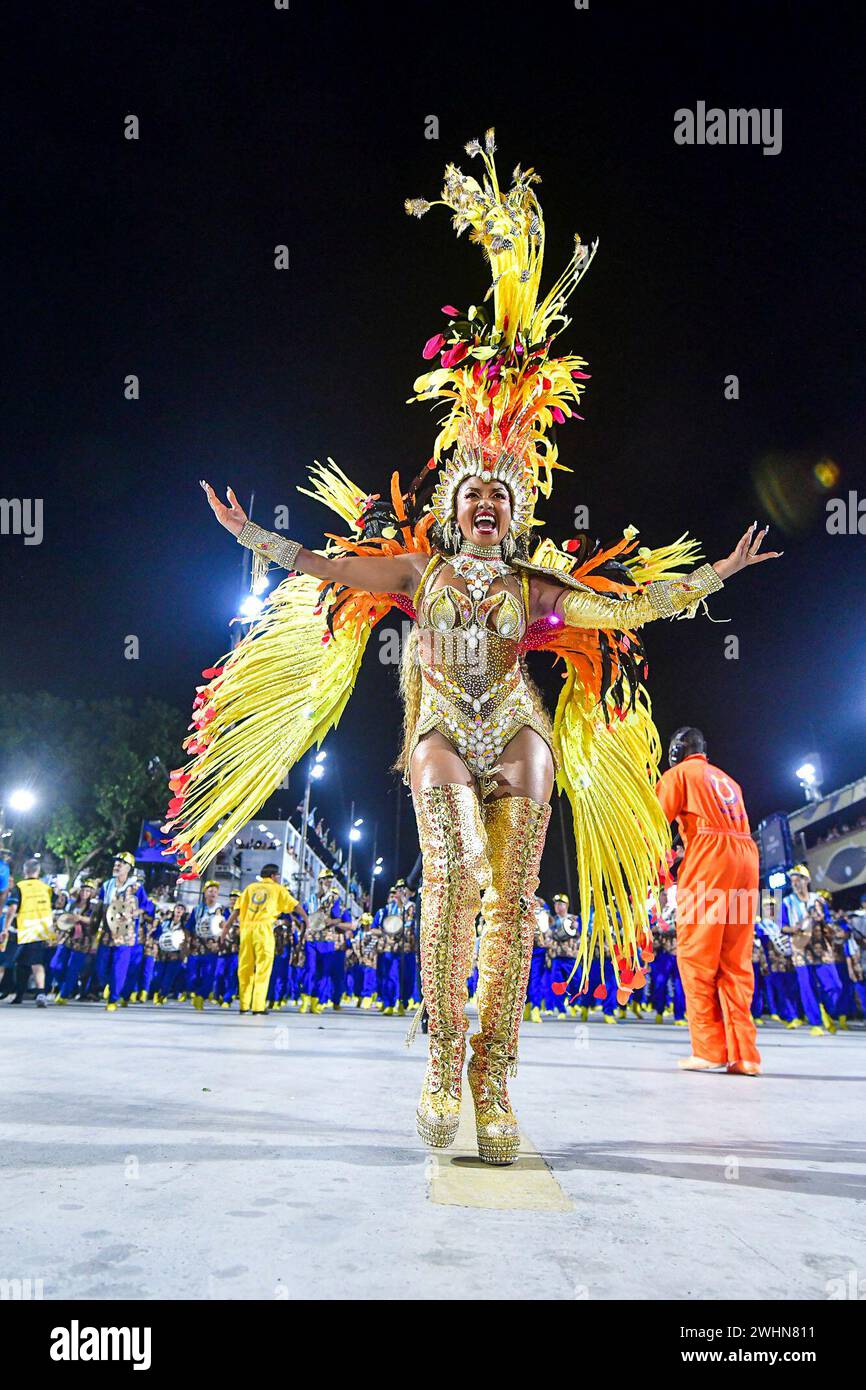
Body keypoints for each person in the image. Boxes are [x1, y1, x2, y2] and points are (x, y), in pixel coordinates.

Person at [170, 130, 779, 1163]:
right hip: (442, 722)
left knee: (518, 906)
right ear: (453, 510)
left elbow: (622, 612)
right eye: (473, 493)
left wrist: (713, 574)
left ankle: (494, 1083)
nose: (488, 502)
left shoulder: (541, 589)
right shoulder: (418, 573)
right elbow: (326, 569)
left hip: (518, 720)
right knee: (450, 879)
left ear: (517, 508)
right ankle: (437, 1063)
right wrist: (252, 539)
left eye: (502, 494)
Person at [655, 728, 761, 1075]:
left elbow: (656, 824)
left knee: (697, 956)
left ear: (675, 752)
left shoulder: (679, 775)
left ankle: (709, 1049)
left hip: (710, 857)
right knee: (736, 959)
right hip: (746, 856)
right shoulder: (729, 780)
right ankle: (744, 1054)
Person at [223, 864, 307, 1015]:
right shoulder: (277, 889)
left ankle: (244, 1004)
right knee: (263, 968)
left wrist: (225, 930)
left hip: (246, 929)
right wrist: (306, 920)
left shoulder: (250, 888)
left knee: (245, 967)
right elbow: (296, 906)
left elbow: (236, 910)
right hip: (264, 929)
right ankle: (258, 1006)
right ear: (274, 876)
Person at [0, 858, 56, 1006]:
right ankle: (40, 994)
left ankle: (18, 995)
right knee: (35, 964)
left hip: (21, 930)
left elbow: (12, 908)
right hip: (38, 931)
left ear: (25, 870)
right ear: (38, 871)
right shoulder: (46, 888)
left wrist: (5, 928)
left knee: (4, 962)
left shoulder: (20, 887)